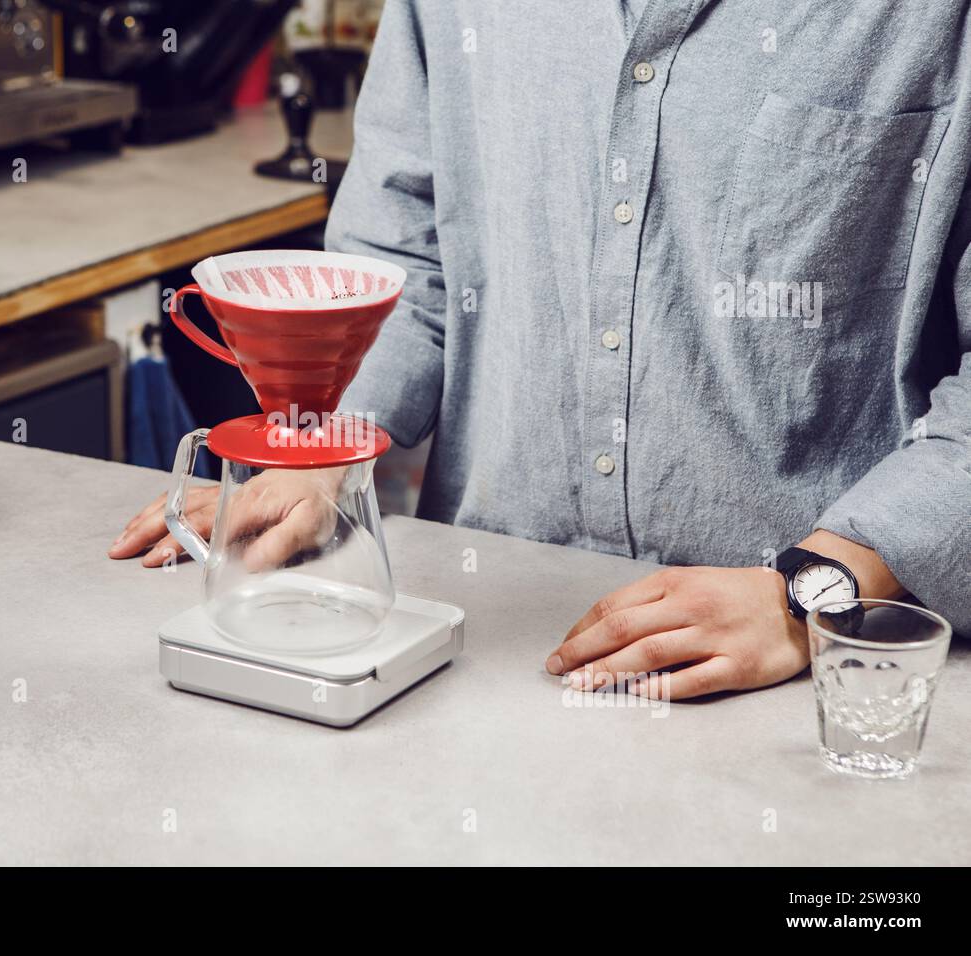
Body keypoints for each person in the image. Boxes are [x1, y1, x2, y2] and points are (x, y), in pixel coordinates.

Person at [112, 0, 971, 698]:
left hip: (816, 670)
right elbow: (405, 260)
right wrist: (325, 451)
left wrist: (812, 590)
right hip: (480, 637)